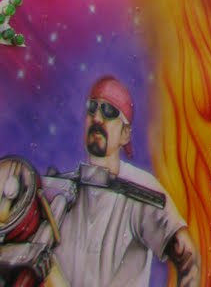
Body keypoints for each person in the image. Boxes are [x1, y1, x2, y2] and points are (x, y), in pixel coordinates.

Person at [54, 76, 199, 286]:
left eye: (109, 112)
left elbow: (188, 258)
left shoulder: (141, 191)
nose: (96, 118)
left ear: (125, 134)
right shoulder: (63, 192)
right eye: (92, 107)